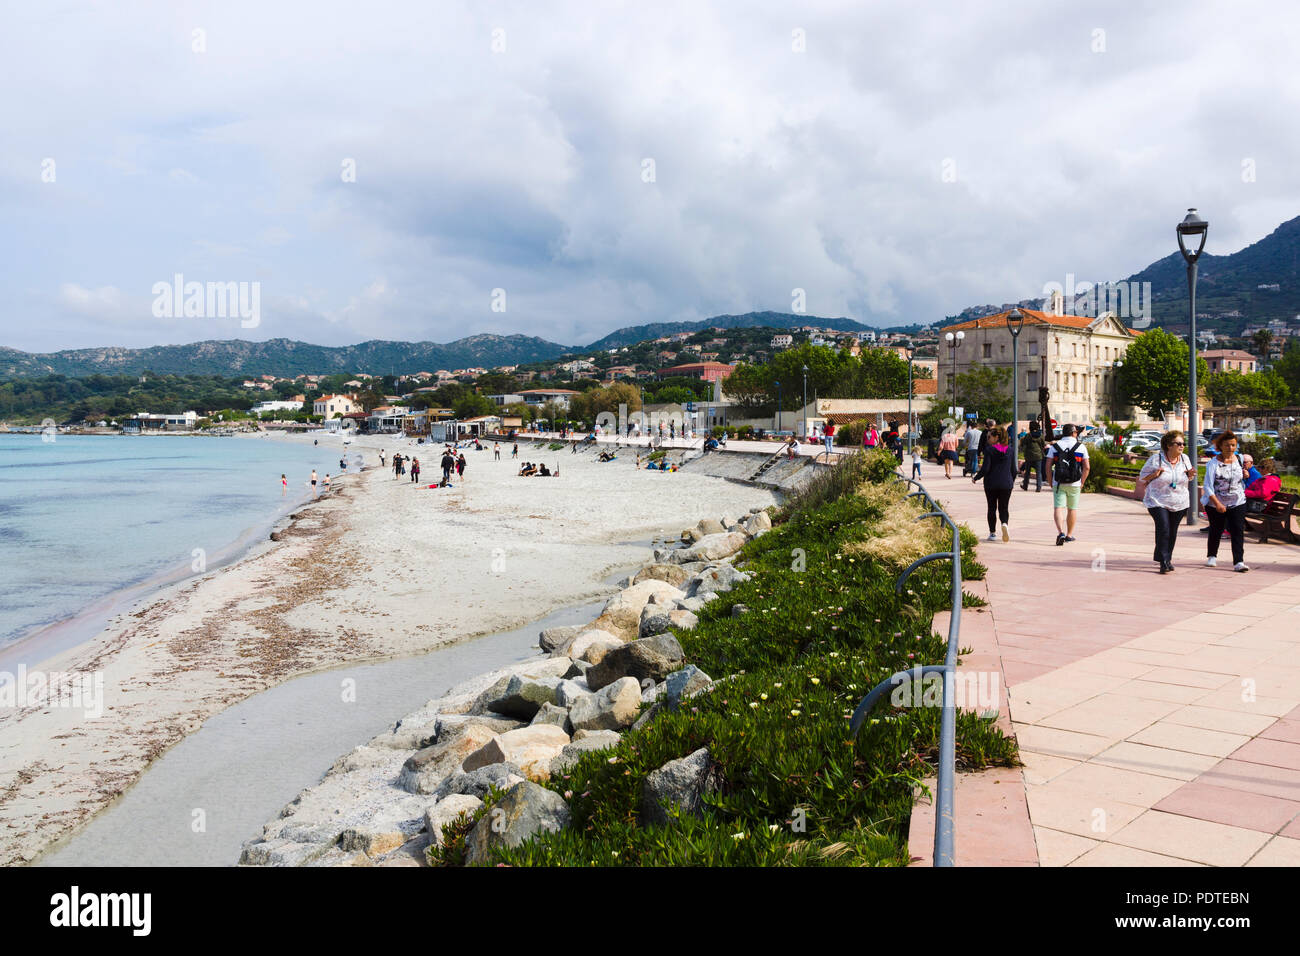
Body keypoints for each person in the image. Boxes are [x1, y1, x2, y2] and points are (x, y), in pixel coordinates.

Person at [1135, 431, 1194, 573]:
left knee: (1172, 531)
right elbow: (1142, 478)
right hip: (1157, 500)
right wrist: (1155, 474)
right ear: (1168, 445)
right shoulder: (1156, 459)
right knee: (1164, 528)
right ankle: (1163, 561)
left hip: (1179, 501)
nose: (1181, 446)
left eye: (1183, 444)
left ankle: (1167, 559)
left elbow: (1187, 479)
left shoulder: (1185, 459)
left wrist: (1190, 475)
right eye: (1178, 444)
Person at [1203, 430, 1250, 571]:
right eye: (1227, 445)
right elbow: (1208, 486)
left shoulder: (1240, 460)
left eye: (1233, 445)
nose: (1230, 448)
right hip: (1216, 502)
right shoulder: (1213, 464)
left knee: (1237, 530)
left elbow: (1242, 478)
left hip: (1237, 501)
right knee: (1216, 529)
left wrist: (1245, 475)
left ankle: (1238, 561)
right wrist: (1217, 503)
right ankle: (1212, 555)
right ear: (1220, 447)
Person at [1045, 423, 1089, 546]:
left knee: (1058, 508)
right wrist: (1082, 482)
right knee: (1072, 509)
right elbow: (1087, 467)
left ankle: (1060, 533)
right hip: (1075, 483)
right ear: (1074, 433)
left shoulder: (1055, 447)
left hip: (1058, 482)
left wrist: (1050, 481)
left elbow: (1048, 465)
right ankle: (1069, 535)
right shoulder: (1081, 447)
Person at [973, 425, 1016, 542]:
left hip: (991, 483)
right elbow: (1014, 470)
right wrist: (1011, 481)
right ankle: (1005, 524)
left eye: (989, 437)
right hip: (1006, 483)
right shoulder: (1010, 450)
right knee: (1004, 507)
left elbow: (986, 468)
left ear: (996, 437)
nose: (987, 439)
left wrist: (976, 477)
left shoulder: (990, 450)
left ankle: (992, 533)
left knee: (991, 508)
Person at [1020, 425, 1045, 492]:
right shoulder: (1041, 435)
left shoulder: (1028, 435)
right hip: (1038, 456)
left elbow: (1023, 443)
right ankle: (1038, 487)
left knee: (1027, 472)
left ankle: (1025, 486)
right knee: (1038, 472)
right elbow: (1043, 445)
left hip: (1029, 456)